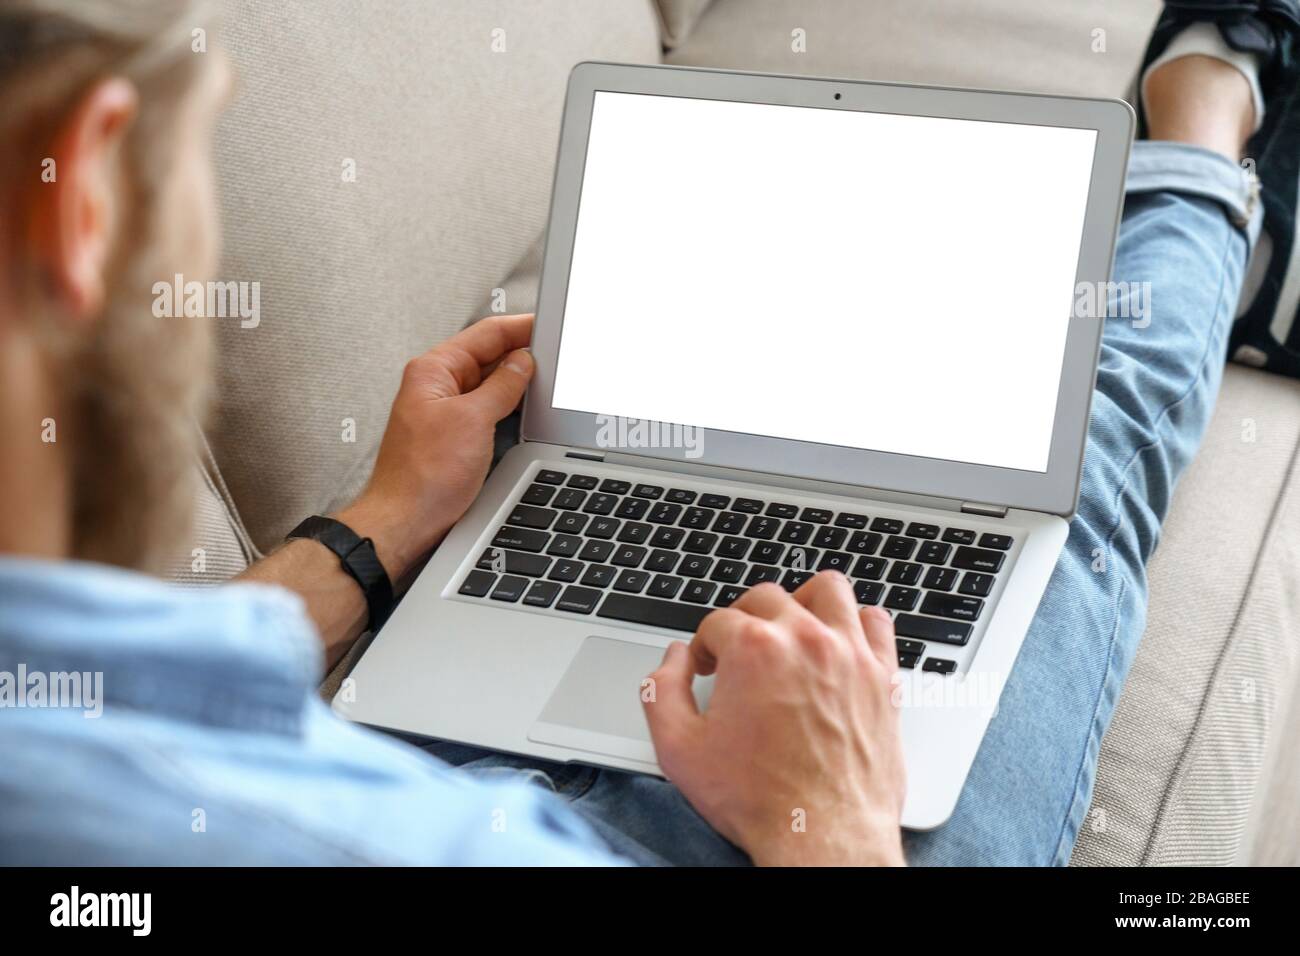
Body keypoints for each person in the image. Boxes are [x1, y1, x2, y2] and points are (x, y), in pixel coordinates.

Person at [0, 0, 1294, 865]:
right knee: (1091, 450)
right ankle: (1208, 115)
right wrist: (834, 815)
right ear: (80, 202)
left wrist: (381, 526)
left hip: (419, 749)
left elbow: (135, 689)